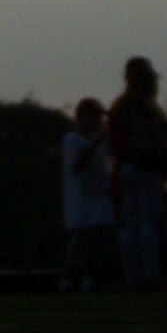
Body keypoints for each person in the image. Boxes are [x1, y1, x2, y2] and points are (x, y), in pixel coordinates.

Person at [108, 56, 167, 288]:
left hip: (127, 167)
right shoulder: (144, 106)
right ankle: (150, 273)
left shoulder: (120, 105)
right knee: (147, 223)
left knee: (130, 225)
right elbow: (163, 132)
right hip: (145, 168)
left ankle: (133, 276)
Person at [60, 98, 115, 292]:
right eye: (95, 116)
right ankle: (71, 279)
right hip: (82, 203)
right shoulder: (72, 140)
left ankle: (93, 278)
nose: (99, 120)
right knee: (80, 244)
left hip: (100, 200)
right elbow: (75, 167)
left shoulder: (100, 142)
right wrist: (93, 145)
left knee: (99, 242)